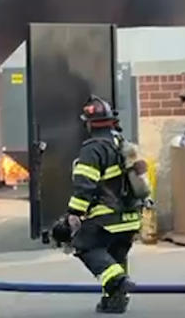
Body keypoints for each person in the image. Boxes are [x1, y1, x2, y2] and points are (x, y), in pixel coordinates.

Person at [55, 95, 150, 314]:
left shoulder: (93, 149)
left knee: (85, 245)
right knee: (116, 256)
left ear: (88, 124)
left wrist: (74, 213)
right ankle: (115, 300)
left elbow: (84, 186)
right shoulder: (121, 143)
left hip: (108, 216)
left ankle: (117, 282)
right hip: (130, 218)